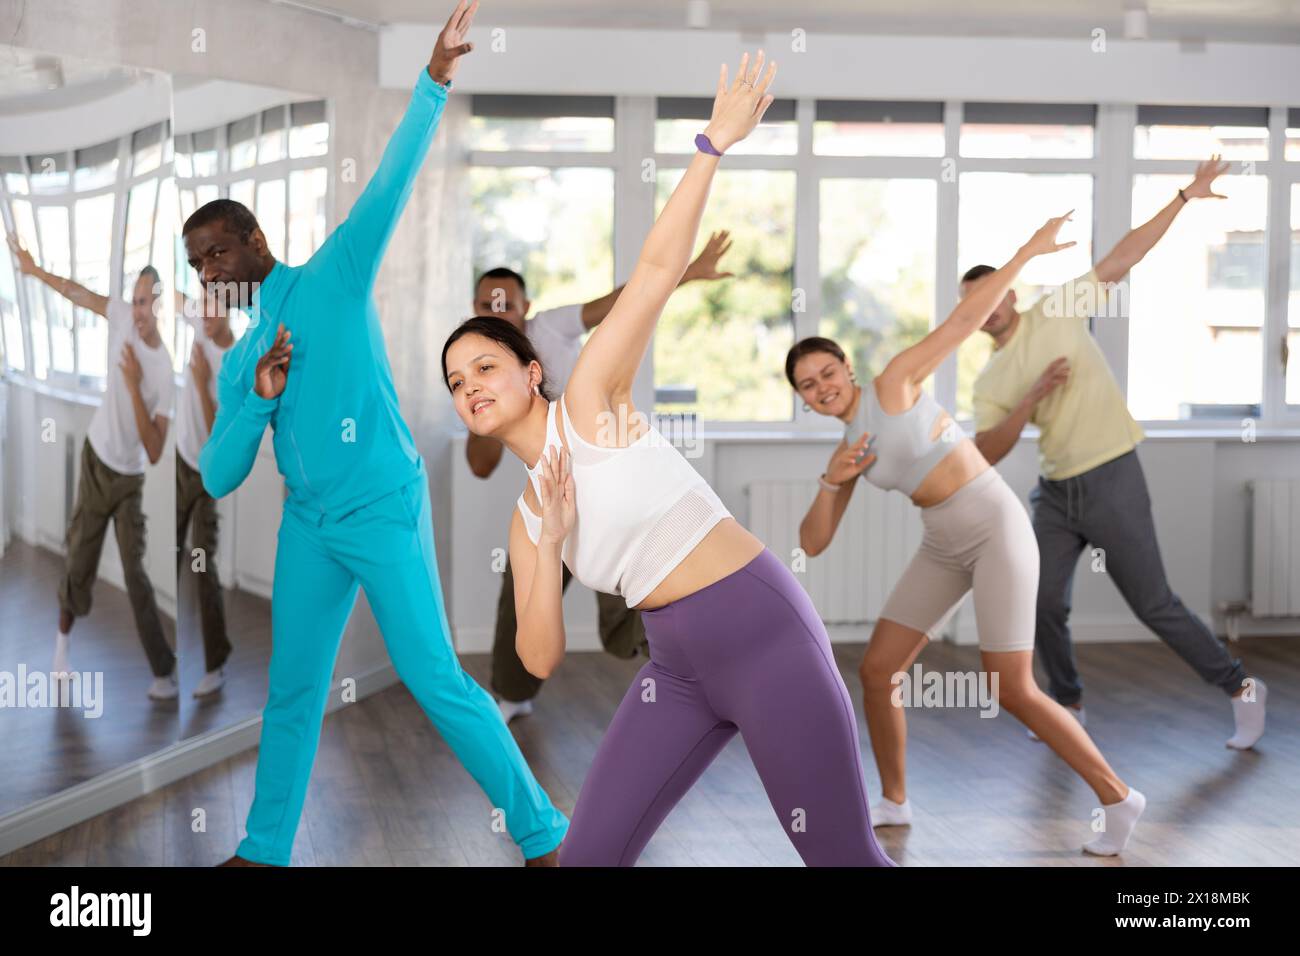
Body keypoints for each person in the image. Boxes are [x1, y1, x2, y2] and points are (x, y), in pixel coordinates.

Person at [444, 50, 895, 867]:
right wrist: (546, 546)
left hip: (761, 633)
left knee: (843, 859)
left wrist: (710, 147)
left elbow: (652, 275)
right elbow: (536, 658)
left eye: (485, 366)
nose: (470, 385)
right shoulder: (525, 519)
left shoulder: (590, 404)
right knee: (585, 859)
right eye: (456, 382)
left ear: (531, 370)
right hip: (677, 668)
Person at [189, 1, 568, 867]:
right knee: (293, 693)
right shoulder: (245, 355)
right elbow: (216, 474)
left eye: (216, 252)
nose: (210, 272)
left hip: (384, 507)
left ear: (254, 240)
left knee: (435, 680)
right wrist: (258, 394)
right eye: (197, 265)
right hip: (310, 527)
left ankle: (544, 833)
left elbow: (392, 178)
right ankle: (263, 850)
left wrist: (434, 79)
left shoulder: (334, 272)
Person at [788, 211, 1145, 857]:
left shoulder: (894, 383)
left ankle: (1119, 797)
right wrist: (830, 480)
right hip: (943, 542)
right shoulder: (847, 448)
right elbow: (812, 545)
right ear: (804, 400)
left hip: (993, 524)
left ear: (846, 366)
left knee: (1010, 686)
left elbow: (962, 322)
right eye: (808, 388)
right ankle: (894, 801)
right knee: (877, 670)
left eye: (827, 374)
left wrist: (1028, 252)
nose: (822, 389)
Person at [962, 155, 1267, 751]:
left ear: (1012, 293)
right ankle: (1069, 704)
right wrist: (1031, 397)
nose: (988, 306)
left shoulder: (1056, 309)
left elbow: (1125, 257)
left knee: (1154, 604)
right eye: (975, 302)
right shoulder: (990, 380)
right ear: (969, 319)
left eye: (994, 291)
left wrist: (1184, 196)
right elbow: (988, 451)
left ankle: (1239, 688)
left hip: (1111, 477)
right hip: (1055, 494)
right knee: (1043, 602)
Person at [467, 238, 735, 722]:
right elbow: (480, 464)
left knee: (627, 615)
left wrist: (687, 271)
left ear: (527, 308)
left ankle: (692, 668)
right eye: (490, 306)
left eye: (509, 304)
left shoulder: (548, 330)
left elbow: (620, 305)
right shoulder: (478, 371)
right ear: (476, 309)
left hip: (607, 488)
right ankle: (512, 693)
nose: (500, 311)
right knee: (523, 596)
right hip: (550, 499)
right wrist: (486, 394)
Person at [7, 235, 176, 700]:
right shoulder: (120, 317)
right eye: (136, 300)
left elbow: (157, 449)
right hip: (96, 461)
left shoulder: (162, 370)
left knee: (135, 573)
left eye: (147, 303)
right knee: (78, 559)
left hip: (129, 481)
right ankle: (60, 653)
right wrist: (33, 269)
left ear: (159, 306)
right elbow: (77, 293)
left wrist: (134, 383)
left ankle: (164, 671)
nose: (138, 311)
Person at [176, 288, 235, 697]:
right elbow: (179, 301)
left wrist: (201, 384)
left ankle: (215, 664)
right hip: (179, 461)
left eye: (215, 307)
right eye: (203, 306)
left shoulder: (235, 361)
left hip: (206, 476)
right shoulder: (199, 323)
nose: (206, 315)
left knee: (201, 565)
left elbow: (223, 434)